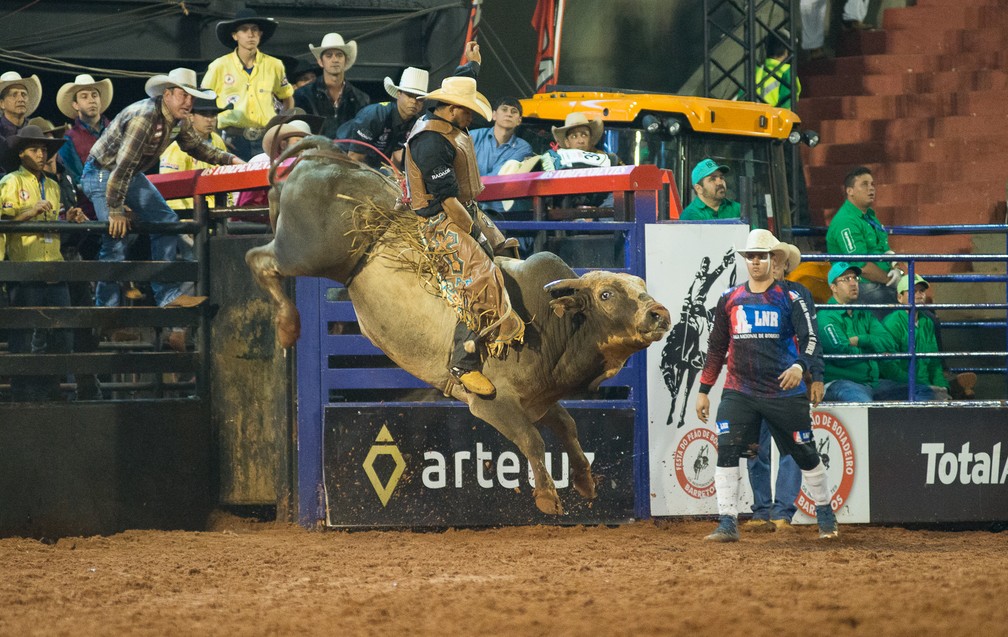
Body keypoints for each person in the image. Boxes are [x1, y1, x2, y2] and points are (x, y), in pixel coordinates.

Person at [695, 229, 835, 541]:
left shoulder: (792, 296)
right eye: (751, 256)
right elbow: (717, 347)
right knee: (727, 448)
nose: (756, 261)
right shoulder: (729, 299)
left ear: (774, 259)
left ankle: (824, 511)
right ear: (746, 260)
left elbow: (810, 337)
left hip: (783, 389)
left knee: (803, 451)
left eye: (762, 256)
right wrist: (704, 389)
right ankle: (728, 521)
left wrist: (802, 367)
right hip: (740, 388)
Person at [81, 67, 243, 309]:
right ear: (167, 94)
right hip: (102, 172)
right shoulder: (144, 118)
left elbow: (197, 147)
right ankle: (107, 308)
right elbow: (122, 167)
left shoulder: (178, 120)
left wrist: (229, 159)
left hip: (126, 174)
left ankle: (167, 295)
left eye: (191, 97)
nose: (189, 102)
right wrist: (116, 207)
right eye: (183, 95)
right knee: (115, 234)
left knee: (167, 222)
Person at [403, 76, 524, 396]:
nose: (472, 117)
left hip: (464, 208)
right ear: (453, 109)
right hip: (439, 219)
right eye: (468, 111)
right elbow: (447, 200)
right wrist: (474, 234)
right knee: (479, 275)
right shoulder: (430, 142)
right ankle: (463, 361)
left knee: (508, 252)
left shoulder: (448, 128)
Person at [0, 125, 88, 401]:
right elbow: (3, 218)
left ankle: (49, 388)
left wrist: (69, 220)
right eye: (35, 149)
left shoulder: (52, 185)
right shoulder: (10, 182)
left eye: (44, 150)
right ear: (21, 152)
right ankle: (24, 391)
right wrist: (30, 211)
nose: (41, 154)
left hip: (53, 266)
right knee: (24, 335)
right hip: (25, 268)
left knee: (60, 333)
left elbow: (53, 222)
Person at [743, 241, 818, 533]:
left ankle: (781, 512)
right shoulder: (745, 294)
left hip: (787, 381)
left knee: (789, 447)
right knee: (755, 448)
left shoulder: (798, 295)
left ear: (784, 264)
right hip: (755, 382)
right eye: (765, 257)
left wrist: (815, 374)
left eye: (775, 258)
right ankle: (764, 510)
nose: (770, 263)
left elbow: (811, 338)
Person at [338, 40, 482, 169]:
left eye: (419, 98)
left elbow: (396, 156)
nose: (414, 102)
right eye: (409, 96)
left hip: (368, 167)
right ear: (399, 94)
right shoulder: (374, 115)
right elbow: (353, 158)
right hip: (340, 159)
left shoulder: (413, 124)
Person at [819, 262, 933, 402]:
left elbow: (889, 343)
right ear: (833, 287)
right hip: (842, 382)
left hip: (871, 382)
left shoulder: (864, 313)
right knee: (865, 405)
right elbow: (843, 355)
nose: (853, 283)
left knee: (922, 389)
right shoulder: (825, 316)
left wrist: (861, 340)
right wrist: (874, 351)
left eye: (855, 278)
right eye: (846, 279)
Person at [202, 8, 294, 160]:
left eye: (255, 29)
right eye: (244, 30)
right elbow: (203, 102)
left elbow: (287, 97)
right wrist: (215, 136)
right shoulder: (219, 66)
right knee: (232, 182)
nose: (250, 34)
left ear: (260, 34)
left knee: (268, 181)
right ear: (235, 35)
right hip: (232, 138)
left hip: (267, 136)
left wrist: (281, 127)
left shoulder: (274, 65)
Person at [879, 274, 978, 402]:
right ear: (900, 297)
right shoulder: (892, 323)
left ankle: (949, 389)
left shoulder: (927, 322)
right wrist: (922, 385)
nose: (919, 295)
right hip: (899, 386)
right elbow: (889, 367)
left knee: (942, 397)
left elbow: (934, 363)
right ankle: (952, 390)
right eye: (913, 291)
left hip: (923, 387)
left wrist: (942, 387)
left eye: (921, 291)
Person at [826, 166, 900, 308]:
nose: (871, 189)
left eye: (872, 184)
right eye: (864, 185)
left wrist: (896, 268)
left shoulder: (869, 216)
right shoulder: (846, 221)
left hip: (880, 282)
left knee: (923, 311)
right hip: (860, 284)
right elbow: (862, 266)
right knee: (898, 305)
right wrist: (891, 282)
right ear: (850, 191)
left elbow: (885, 249)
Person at [293, 33, 369, 138]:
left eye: (339, 55)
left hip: (346, 153)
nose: (335, 59)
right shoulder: (303, 95)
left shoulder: (360, 99)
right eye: (329, 55)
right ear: (320, 62)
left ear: (345, 60)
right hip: (313, 152)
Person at [469, 96, 535, 214]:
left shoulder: (523, 147)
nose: (509, 114)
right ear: (494, 115)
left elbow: (501, 175)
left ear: (519, 120)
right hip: (468, 206)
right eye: (504, 110)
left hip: (500, 213)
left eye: (514, 112)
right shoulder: (472, 137)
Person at [56, 74, 114, 191]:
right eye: (84, 97)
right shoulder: (69, 138)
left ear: (100, 101)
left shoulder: (115, 128)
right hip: (90, 201)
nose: (91, 100)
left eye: (94, 95)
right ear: (75, 105)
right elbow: (76, 177)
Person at [0, 71, 43, 175]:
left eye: (23, 94)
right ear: (2, 104)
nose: (20, 99)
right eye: (14, 95)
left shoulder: (37, 128)